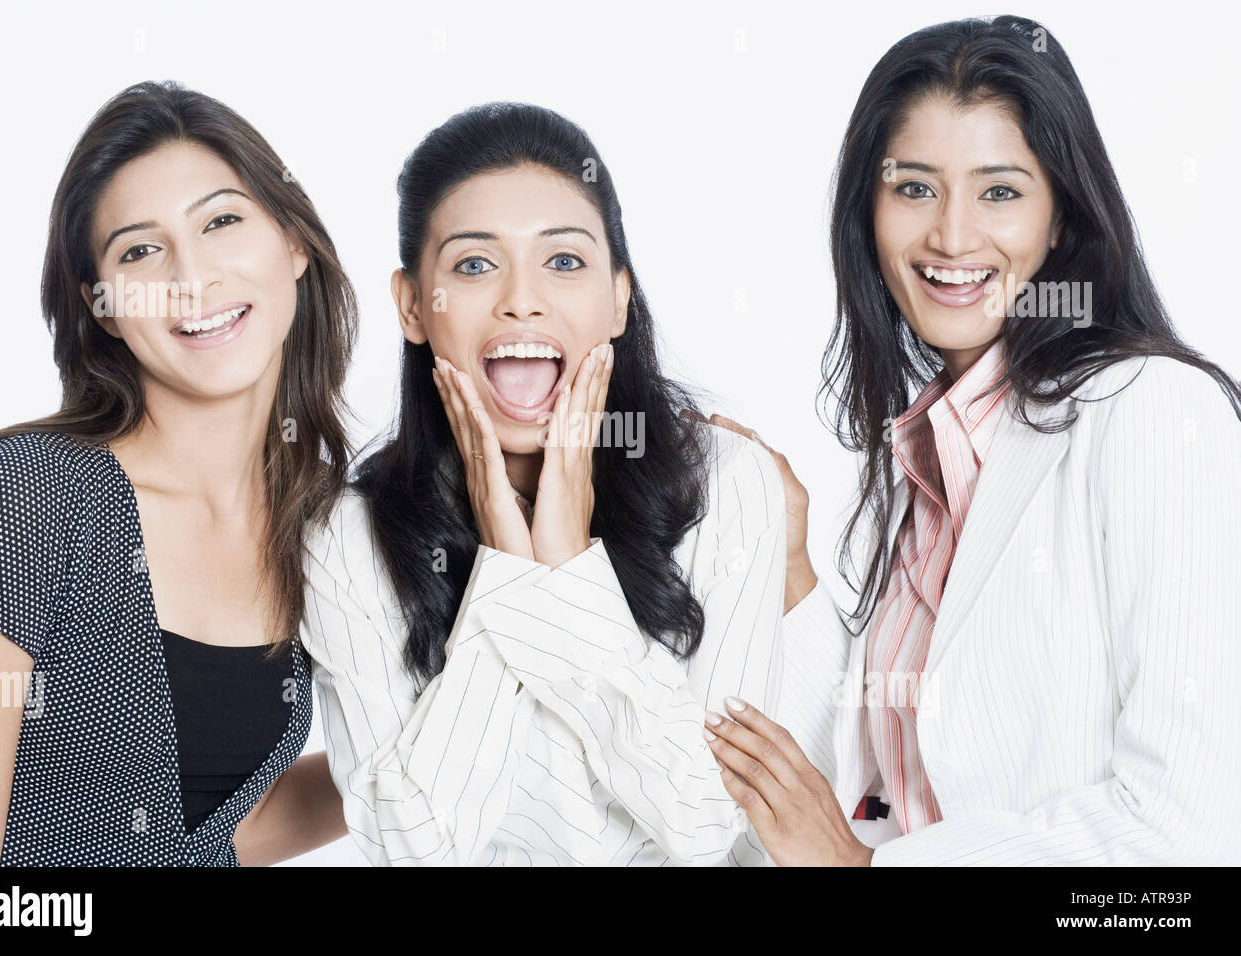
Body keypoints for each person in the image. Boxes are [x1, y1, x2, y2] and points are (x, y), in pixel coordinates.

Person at [701, 15, 1241, 865]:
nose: (952, 237)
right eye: (914, 188)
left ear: (1061, 217)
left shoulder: (1152, 411)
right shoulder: (927, 456)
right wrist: (791, 565)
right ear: (866, 213)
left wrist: (867, 869)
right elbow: (864, 799)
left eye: (1000, 191)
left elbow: (1189, 838)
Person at [301, 102, 788, 865]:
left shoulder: (728, 486)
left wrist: (568, 567)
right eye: (473, 264)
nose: (521, 299)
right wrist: (512, 567)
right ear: (411, 306)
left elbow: (704, 822)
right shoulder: (345, 538)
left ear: (619, 298)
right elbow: (413, 847)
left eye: (563, 262)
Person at [0, 81, 352, 865]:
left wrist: (427, 749)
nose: (191, 277)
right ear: (102, 305)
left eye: (223, 221)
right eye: (140, 249)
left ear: (293, 244)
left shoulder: (323, 525)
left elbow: (223, 825)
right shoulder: (28, 498)